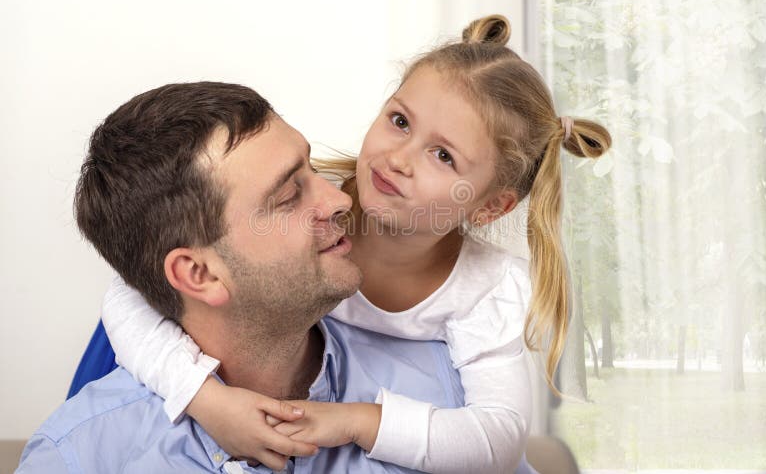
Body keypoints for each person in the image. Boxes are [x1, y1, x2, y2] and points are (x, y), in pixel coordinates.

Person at [88, 16, 612, 472]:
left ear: (489, 207)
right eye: (399, 121)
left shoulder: (486, 288)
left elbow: (496, 439)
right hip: (171, 354)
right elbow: (134, 287)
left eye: (443, 156)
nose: (399, 158)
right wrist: (206, 401)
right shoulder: (317, 211)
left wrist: (360, 421)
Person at [16, 82, 497, 473]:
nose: (341, 201)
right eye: (290, 196)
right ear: (199, 274)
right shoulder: (77, 458)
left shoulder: (446, 397)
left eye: (311, 170)